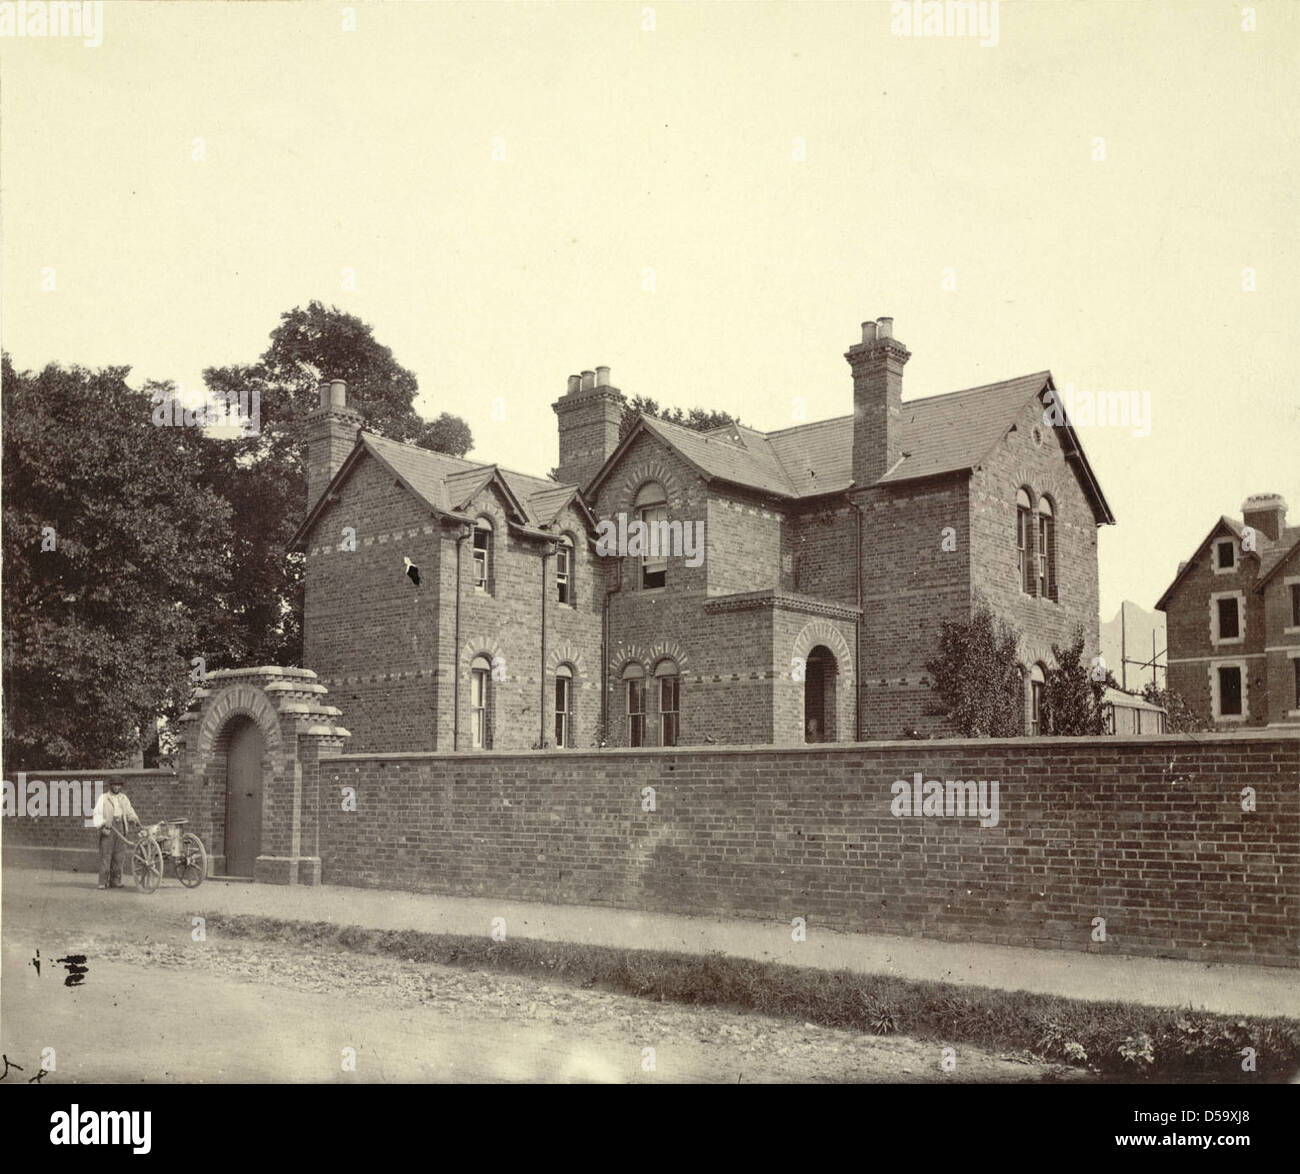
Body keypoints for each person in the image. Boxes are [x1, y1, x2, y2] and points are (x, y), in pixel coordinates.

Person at [91, 779, 139, 890]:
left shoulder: (123, 798)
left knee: (119, 856)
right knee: (106, 856)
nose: (117, 787)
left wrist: (134, 819)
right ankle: (102, 882)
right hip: (109, 828)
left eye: (119, 785)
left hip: (121, 827)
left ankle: (115, 881)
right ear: (110, 786)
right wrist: (102, 826)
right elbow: (97, 813)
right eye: (114, 785)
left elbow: (129, 811)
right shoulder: (103, 798)